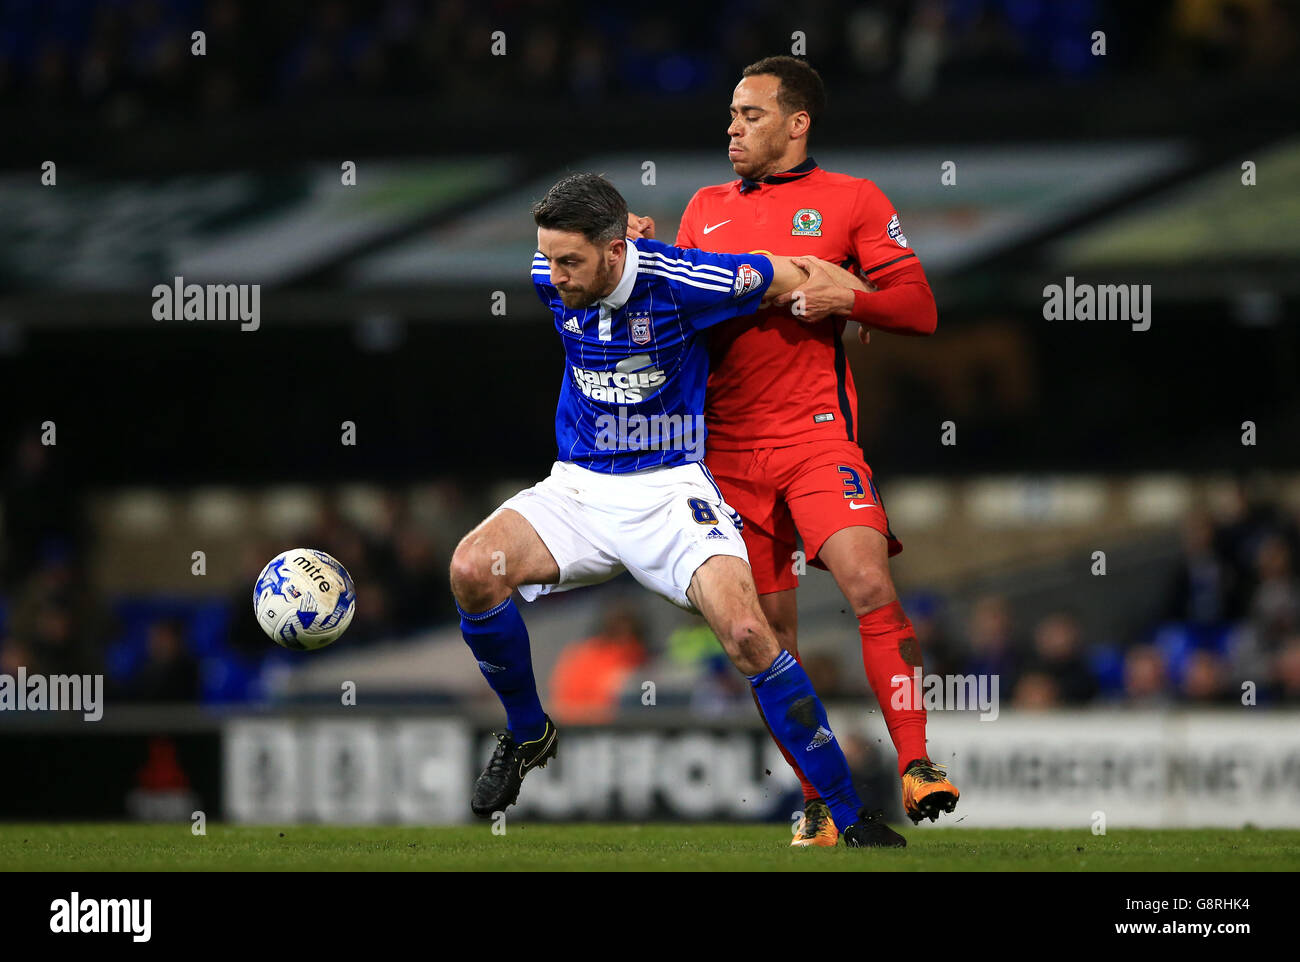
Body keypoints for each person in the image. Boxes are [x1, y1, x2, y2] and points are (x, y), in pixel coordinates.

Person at [449, 172, 906, 847]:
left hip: (670, 492)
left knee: (752, 637)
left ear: (611, 253)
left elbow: (783, 274)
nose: (553, 274)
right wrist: (607, 231)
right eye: (547, 257)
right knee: (470, 570)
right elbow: (576, 248)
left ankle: (847, 812)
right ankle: (527, 731)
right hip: (578, 486)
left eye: (569, 260)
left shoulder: (689, 279)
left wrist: (858, 297)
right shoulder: (557, 270)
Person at [627, 55, 956, 844]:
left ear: (796, 122)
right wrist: (635, 264)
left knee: (868, 580)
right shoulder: (703, 209)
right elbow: (680, 314)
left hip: (815, 440)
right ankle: (818, 800)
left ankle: (916, 764)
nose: (732, 127)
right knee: (766, 641)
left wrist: (852, 293)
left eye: (749, 114)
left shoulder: (852, 200)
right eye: (732, 115)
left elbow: (920, 307)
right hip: (726, 457)